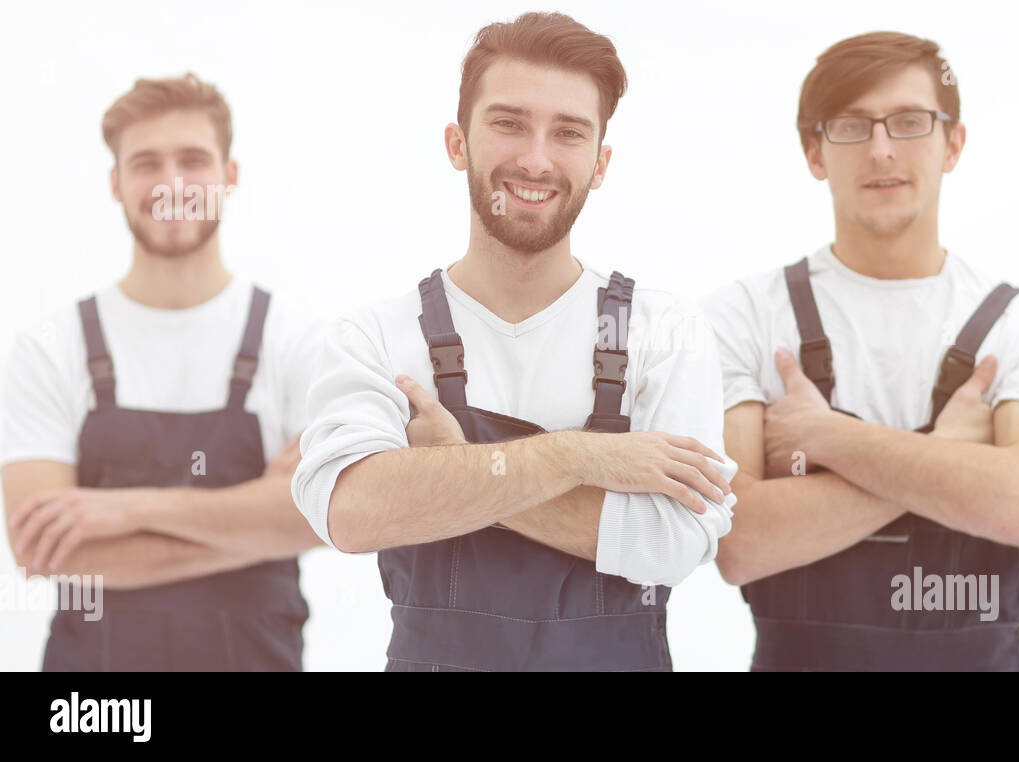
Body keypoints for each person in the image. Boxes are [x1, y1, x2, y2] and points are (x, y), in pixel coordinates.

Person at [291, 12, 736, 672]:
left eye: (568, 133)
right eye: (508, 123)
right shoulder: (374, 337)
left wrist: (452, 472)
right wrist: (584, 458)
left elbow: (675, 544)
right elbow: (351, 512)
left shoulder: (665, 331)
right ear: (457, 143)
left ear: (600, 162)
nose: (535, 158)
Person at [704, 31, 1019, 671]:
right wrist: (947, 461)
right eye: (852, 126)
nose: (882, 149)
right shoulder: (742, 316)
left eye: (909, 123)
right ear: (814, 152)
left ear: (953, 144)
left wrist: (828, 439)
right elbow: (742, 541)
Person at [2, 73, 321, 671]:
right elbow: (39, 548)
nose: (172, 184)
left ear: (230, 176)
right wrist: (258, 519)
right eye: (146, 163)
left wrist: (126, 510)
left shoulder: (296, 341)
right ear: (116, 183)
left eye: (193, 160)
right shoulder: (50, 348)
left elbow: (327, 519)